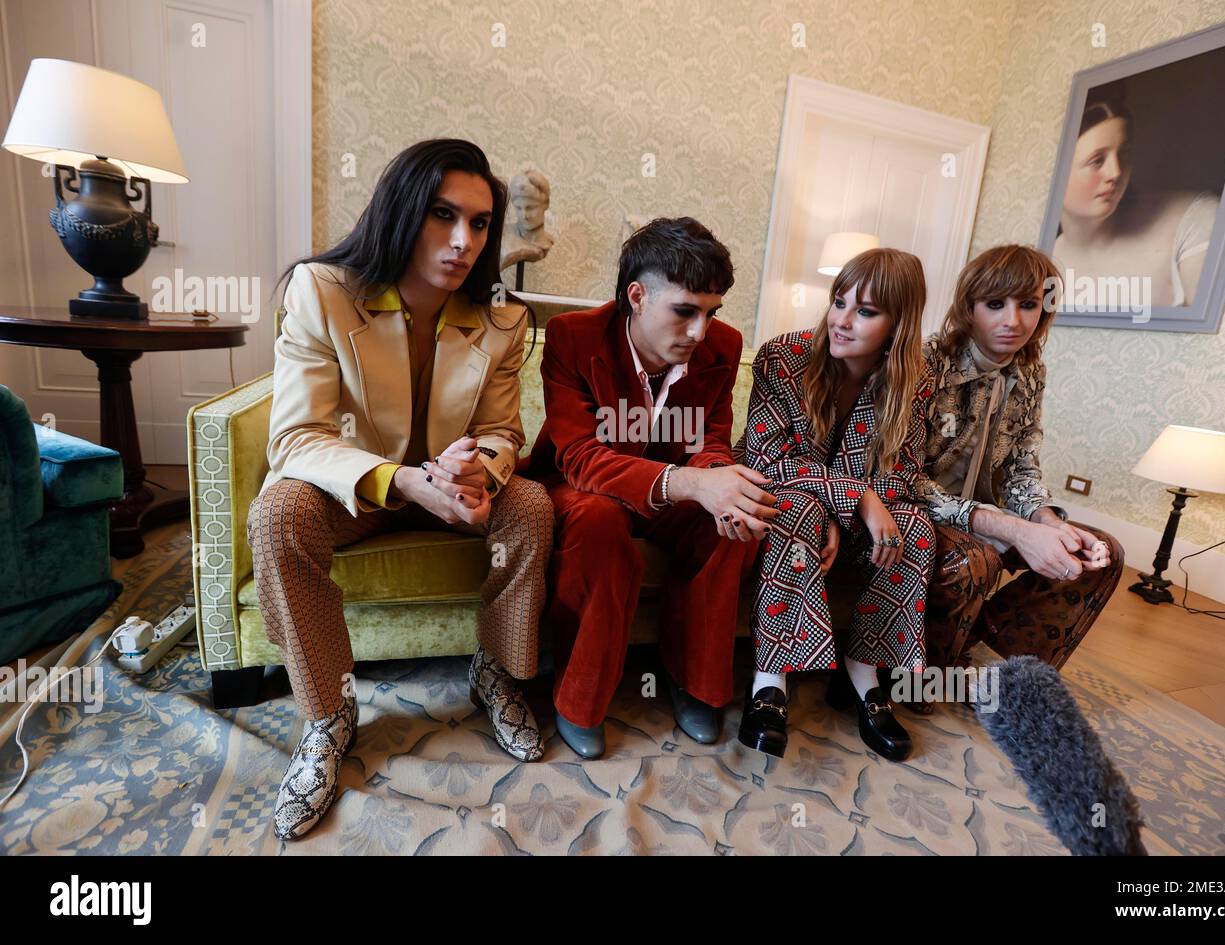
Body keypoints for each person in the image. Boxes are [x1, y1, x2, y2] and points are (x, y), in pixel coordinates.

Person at [247, 139, 553, 840]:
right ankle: (328, 713)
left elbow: (505, 431)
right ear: (400, 209)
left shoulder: (504, 321)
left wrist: (480, 465)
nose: (463, 240)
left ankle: (498, 672)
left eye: (479, 223)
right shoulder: (321, 290)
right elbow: (295, 439)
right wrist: (404, 480)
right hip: (357, 491)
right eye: (443, 215)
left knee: (532, 504)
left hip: (448, 491)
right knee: (278, 510)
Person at [522, 217, 776, 759]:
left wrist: (720, 482)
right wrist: (692, 482)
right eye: (685, 311)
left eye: (712, 312)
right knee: (599, 520)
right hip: (583, 485)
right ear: (637, 296)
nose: (700, 331)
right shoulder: (572, 336)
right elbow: (580, 456)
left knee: (735, 524)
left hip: (668, 493)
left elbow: (710, 437)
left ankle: (697, 682)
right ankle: (580, 700)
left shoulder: (723, 347)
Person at [737, 248, 935, 761]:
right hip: (782, 503)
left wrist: (858, 504)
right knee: (799, 509)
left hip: (850, 524)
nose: (842, 321)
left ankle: (862, 673)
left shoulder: (916, 381)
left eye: (865, 312)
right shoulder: (784, 356)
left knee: (912, 527)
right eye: (839, 302)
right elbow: (764, 458)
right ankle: (768, 681)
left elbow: (906, 473)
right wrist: (855, 497)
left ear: (898, 325)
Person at [916, 245, 1125, 686]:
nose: (1013, 321)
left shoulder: (1031, 373)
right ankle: (930, 672)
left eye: (1028, 304)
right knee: (973, 562)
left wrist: (1047, 523)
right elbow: (904, 480)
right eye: (996, 304)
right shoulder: (925, 362)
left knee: (1100, 555)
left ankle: (995, 666)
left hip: (990, 513)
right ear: (969, 308)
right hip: (921, 512)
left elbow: (1020, 467)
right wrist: (1015, 531)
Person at [1052, 95, 1219, 309]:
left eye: (1125, 154)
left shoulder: (1194, 218)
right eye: (1097, 161)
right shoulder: (1044, 260)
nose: (1116, 172)